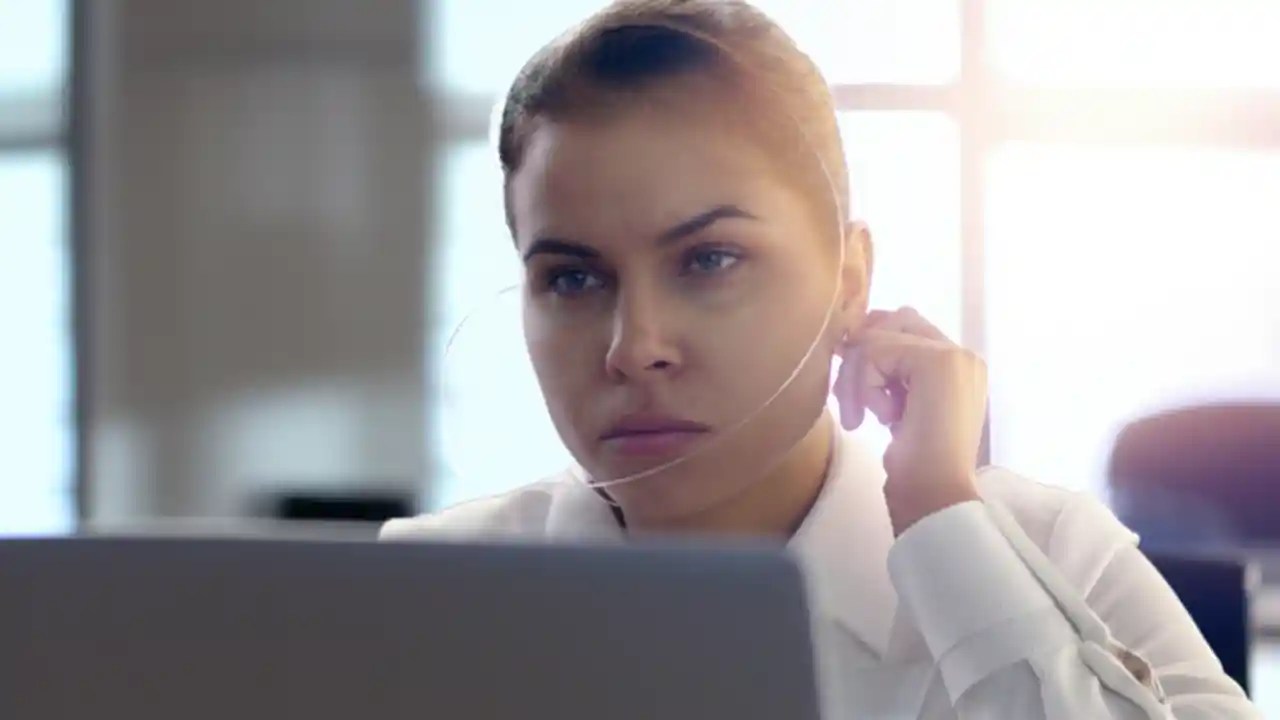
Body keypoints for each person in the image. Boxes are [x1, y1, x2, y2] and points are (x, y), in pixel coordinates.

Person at [382, 1, 1261, 717]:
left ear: (849, 280)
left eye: (710, 260)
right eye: (573, 278)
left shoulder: (1054, 554)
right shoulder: (419, 590)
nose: (635, 347)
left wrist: (946, 525)